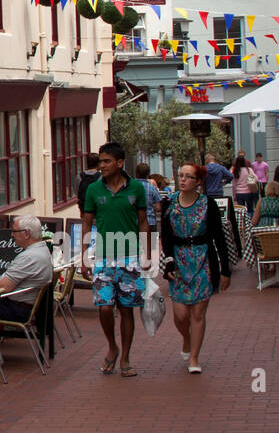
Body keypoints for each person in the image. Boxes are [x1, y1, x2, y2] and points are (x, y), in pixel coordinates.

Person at [80, 141, 151, 378]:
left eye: (107, 161)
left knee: (127, 309)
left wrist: (147, 254)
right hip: (103, 257)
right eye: (100, 161)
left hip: (130, 257)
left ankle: (127, 357)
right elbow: (87, 223)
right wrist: (83, 256)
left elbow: (143, 221)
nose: (102, 166)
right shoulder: (93, 190)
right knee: (104, 307)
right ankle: (112, 345)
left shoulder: (136, 189)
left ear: (120, 163)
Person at [159, 164, 232, 373]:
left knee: (198, 313)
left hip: (202, 260)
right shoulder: (169, 204)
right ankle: (186, 338)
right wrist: (169, 260)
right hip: (179, 260)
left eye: (188, 177)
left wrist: (225, 270)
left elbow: (219, 237)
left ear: (198, 182)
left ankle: (194, 358)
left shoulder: (207, 204)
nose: (182, 180)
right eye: (180, 176)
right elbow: (166, 235)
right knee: (180, 315)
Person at [0, 214, 55, 322]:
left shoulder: (29, 257)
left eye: (14, 231)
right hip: (25, 306)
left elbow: (3, 287)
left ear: (27, 234)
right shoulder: (43, 249)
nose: (12, 235)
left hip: (17, 309)